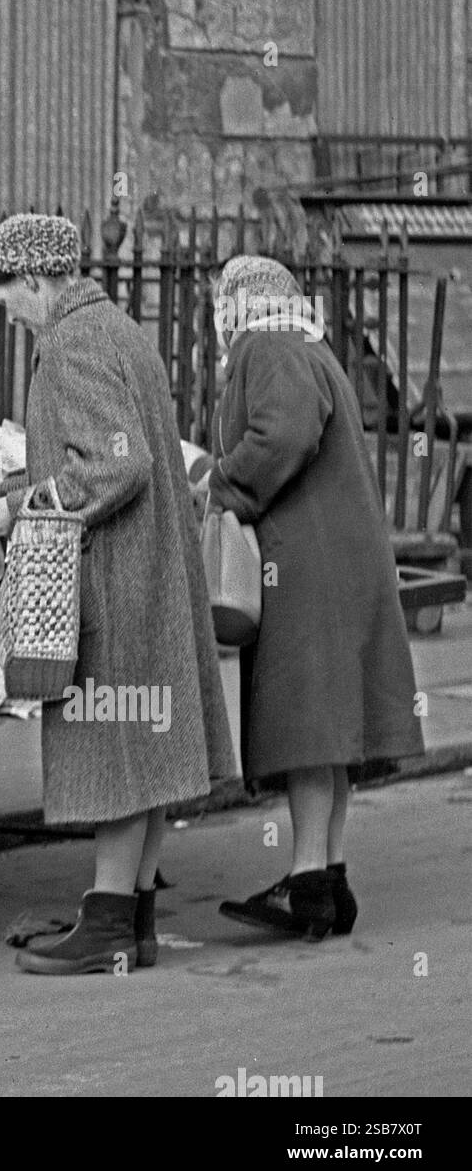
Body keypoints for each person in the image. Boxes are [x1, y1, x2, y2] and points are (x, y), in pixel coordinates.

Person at [0, 213, 235, 975]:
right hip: (151, 569)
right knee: (145, 748)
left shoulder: (69, 342)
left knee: (115, 744)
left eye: (6, 302)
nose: (10, 318)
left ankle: (108, 923)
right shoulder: (119, 328)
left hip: (113, 576)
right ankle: (136, 916)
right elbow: (120, 451)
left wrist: (23, 504)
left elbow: (118, 468)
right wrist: (16, 494)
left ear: (32, 279)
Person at [203, 255, 423, 939]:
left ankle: (305, 884)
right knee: (332, 731)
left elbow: (284, 434)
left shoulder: (266, 344)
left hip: (305, 566)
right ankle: (329, 878)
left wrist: (222, 485)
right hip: (342, 559)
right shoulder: (308, 343)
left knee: (307, 726)